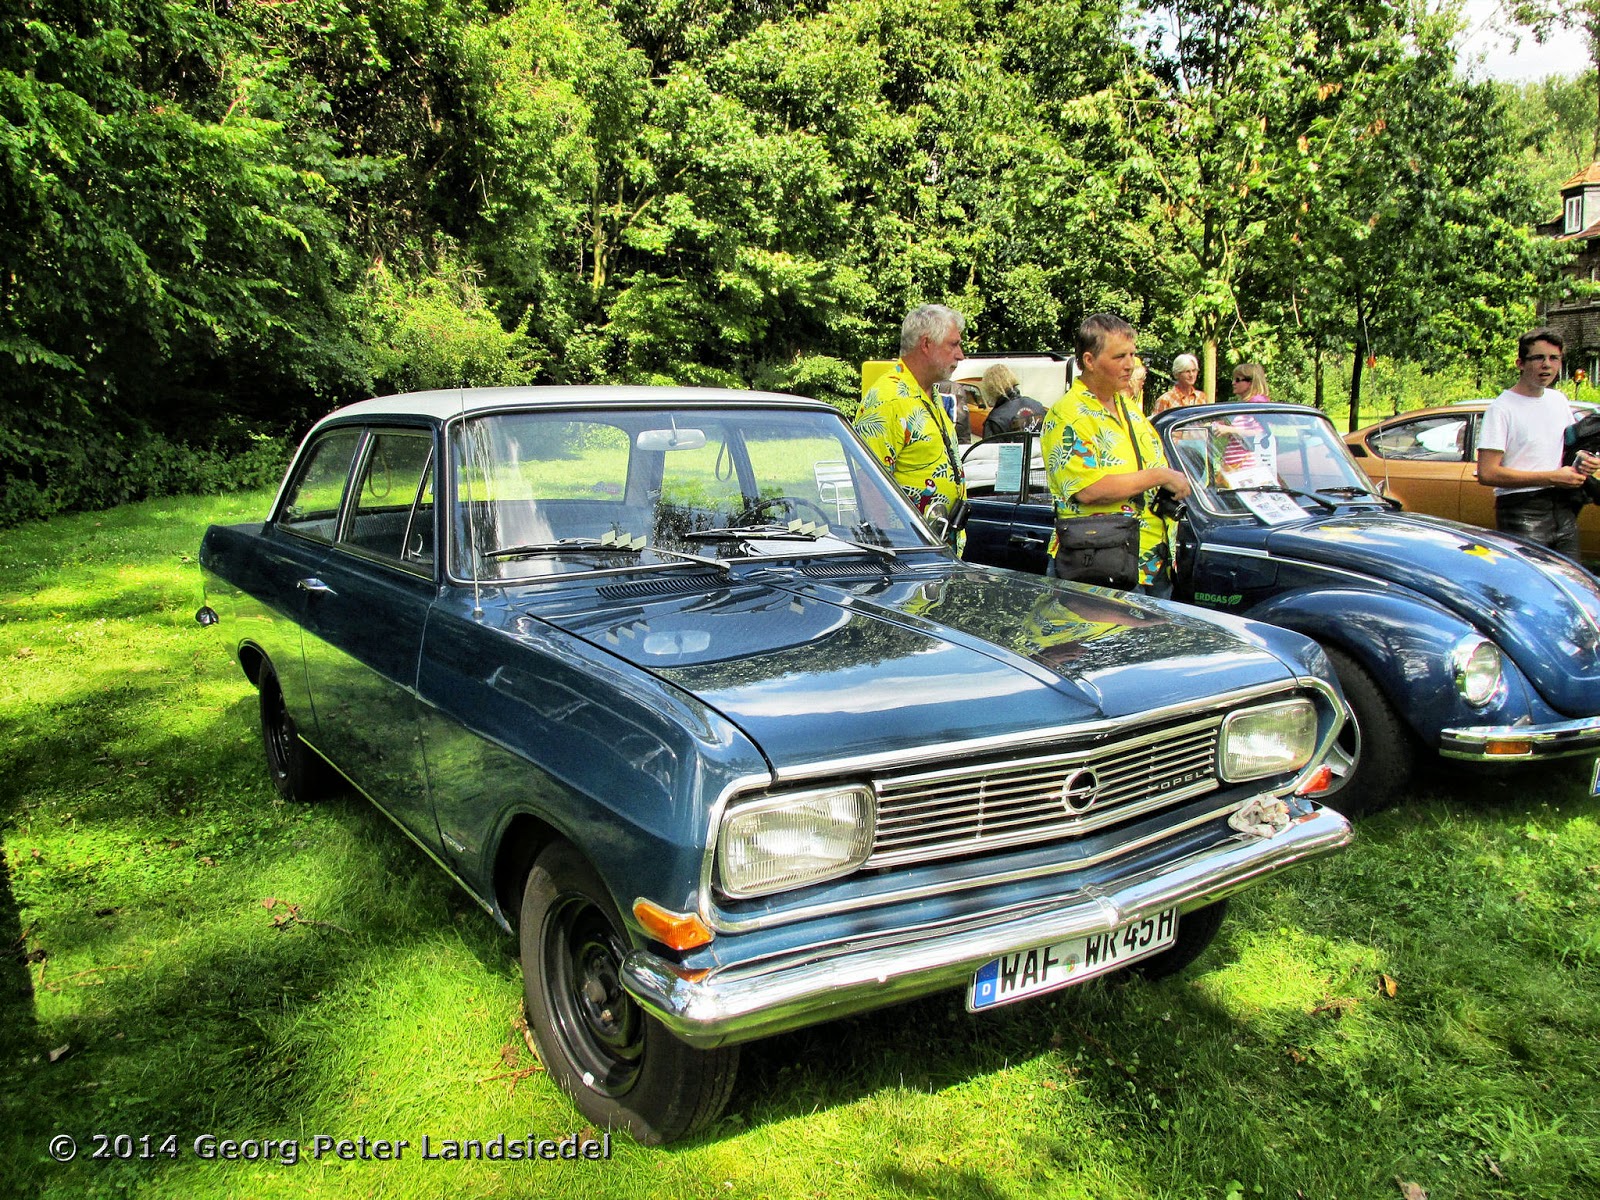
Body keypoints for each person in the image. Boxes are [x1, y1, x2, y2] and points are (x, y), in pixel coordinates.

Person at [1040, 313, 1191, 596]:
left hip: (1149, 560)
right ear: (1089, 360)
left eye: (1132, 354)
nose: (1130, 365)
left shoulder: (1128, 407)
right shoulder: (1068, 415)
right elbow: (1088, 488)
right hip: (1099, 564)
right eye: (1119, 356)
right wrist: (1159, 476)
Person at [1476, 327, 1600, 556]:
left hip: (1563, 508)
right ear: (1520, 363)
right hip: (1522, 511)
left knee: (1569, 584)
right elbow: (1487, 473)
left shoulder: (1558, 400)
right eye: (1538, 358)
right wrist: (1551, 477)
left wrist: (1583, 460)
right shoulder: (1502, 409)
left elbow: (1566, 451)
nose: (1547, 365)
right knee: (1530, 588)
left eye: (1554, 358)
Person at [854, 304, 968, 534]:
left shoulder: (929, 393)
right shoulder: (889, 399)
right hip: (908, 551)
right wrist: (888, 551)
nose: (961, 355)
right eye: (953, 344)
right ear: (926, 344)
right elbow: (870, 484)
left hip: (935, 547)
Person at [979, 363, 1047, 438]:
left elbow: (990, 449)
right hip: (1038, 449)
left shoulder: (995, 420)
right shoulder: (1037, 406)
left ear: (990, 388)